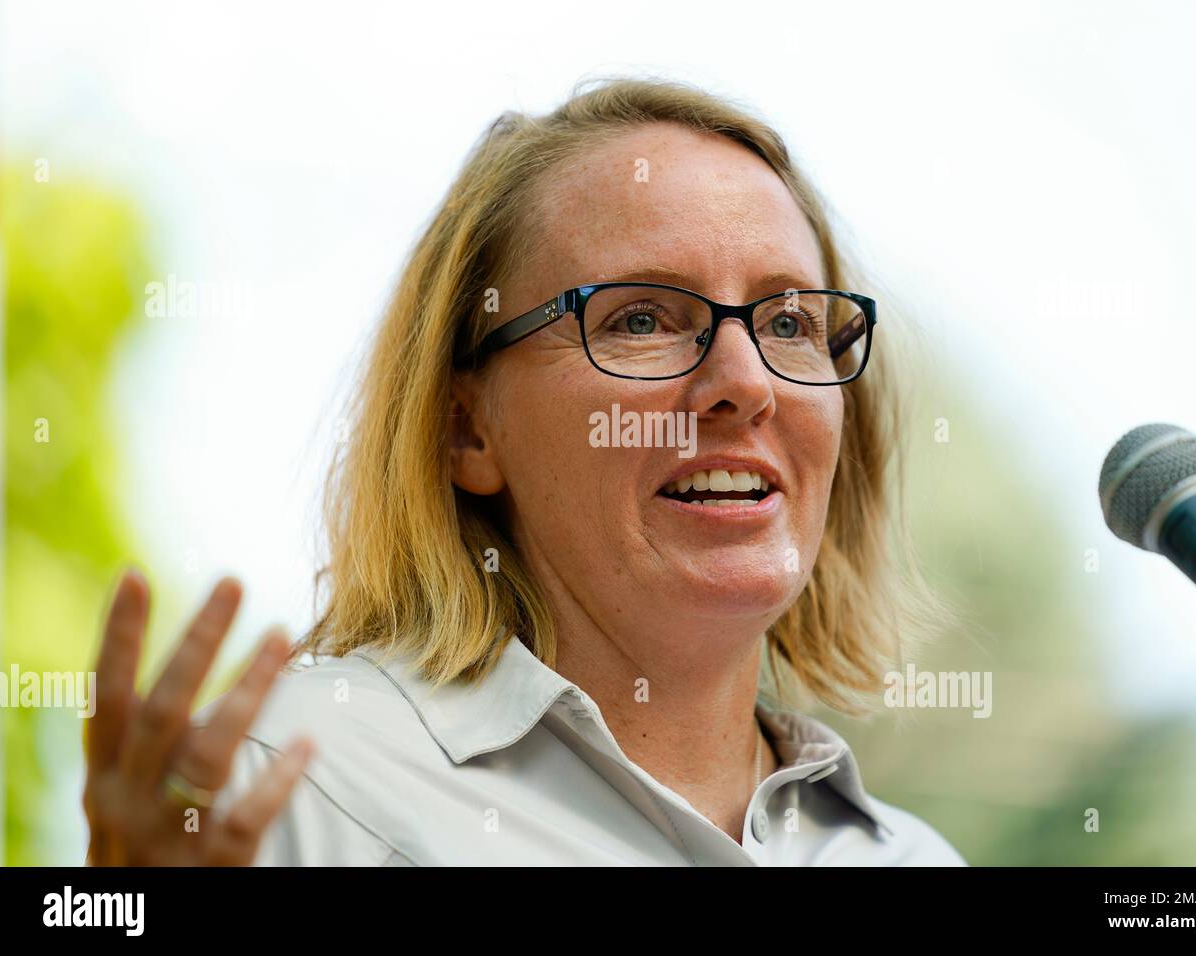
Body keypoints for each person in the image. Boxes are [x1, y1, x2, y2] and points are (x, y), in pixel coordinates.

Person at [83, 77, 967, 866]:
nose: (744, 382)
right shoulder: (286, 784)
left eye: (788, 323)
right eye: (641, 319)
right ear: (468, 431)